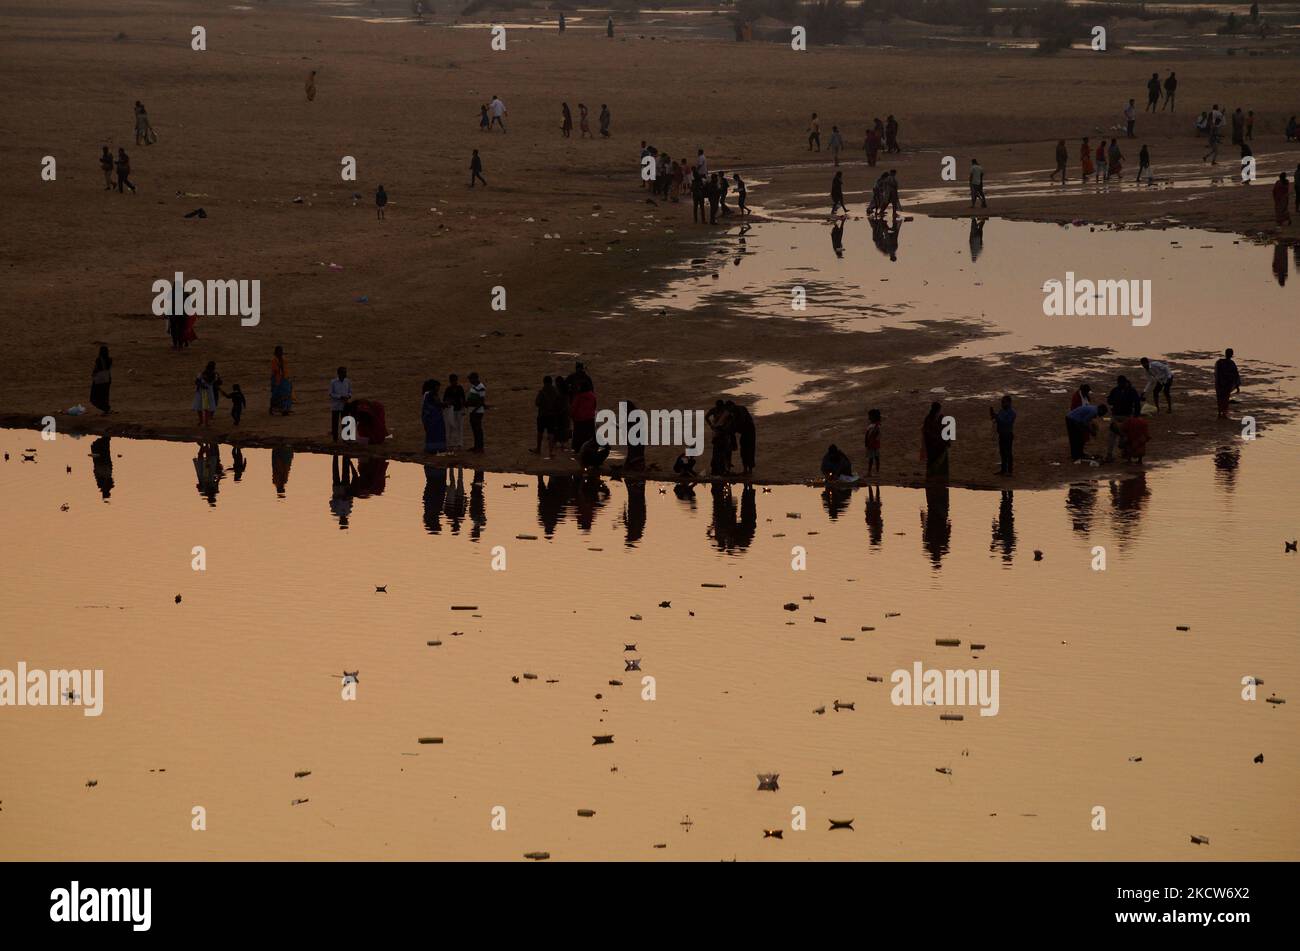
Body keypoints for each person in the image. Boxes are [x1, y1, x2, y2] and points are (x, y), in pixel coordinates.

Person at [1105, 375, 1141, 461]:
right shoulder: (1131, 391)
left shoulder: (1116, 390)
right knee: (1125, 435)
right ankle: (1123, 453)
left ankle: (1111, 455)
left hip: (1118, 415)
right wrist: (1136, 415)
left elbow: (1109, 401)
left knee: (1113, 436)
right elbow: (1137, 404)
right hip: (1125, 416)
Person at [532, 376, 563, 458]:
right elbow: (559, 403)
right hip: (552, 415)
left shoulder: (542, 392)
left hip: (542, 415)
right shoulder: (555, 392)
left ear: (544, 382)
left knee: (540, 432)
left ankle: (538, 449)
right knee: (551, 434)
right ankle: (551, 451)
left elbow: (537, 403)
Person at [921, 402, 949, 479]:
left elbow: (946, 430)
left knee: (936, 462)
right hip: (933, 444)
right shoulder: (929, 419)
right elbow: (926, 432)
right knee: (933, 462)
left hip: (937, 444)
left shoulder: (938, 418)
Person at [989, 395, 1015, 476]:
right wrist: (993, 415)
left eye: (1004, 402)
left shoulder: (1012, 413)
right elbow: (997, 420)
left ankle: (1009, 471)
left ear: (1009, 403)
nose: (1002, 404)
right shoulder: (1002, 411)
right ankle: (1003, 470)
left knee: (1008, 453)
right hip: (1002, 434)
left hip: (1007, 434)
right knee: (1002, 452)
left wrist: (997, 417)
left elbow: (1007, 422)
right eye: (1002, 402)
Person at [570, 379, 597, 452]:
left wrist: (572, 415)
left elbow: (574, 407)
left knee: (579, 437)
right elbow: (594, 405)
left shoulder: (578, 396)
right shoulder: (592, 395)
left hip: (579, 420)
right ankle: (590, 449)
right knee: (589, 436)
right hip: (590, 419)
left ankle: (578, 449)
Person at [730, 400, 756, 476]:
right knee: (744, 451)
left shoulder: (740, 409)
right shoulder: (736, 411)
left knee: (749, 450)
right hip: (745, 433)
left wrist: (733, 429)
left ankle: (749, 470)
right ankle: (745, 469)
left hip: (750, 432)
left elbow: (741, 421)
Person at [1213, 348, 1241, 418]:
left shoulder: (1219, 362)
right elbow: (1236, 374)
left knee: (1220, 398)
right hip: (1226, 384)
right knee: (1225, 398)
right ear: (1231, 355)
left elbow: (1216, 374)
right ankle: (1223, 413)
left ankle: (1220, 412)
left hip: (1220, 384)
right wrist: (1237, 385)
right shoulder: (1231, 363)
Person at [420, 379, 446, 453]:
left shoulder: (431, 394)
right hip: (432, 418)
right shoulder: (430, 394)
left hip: (433, 417)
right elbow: (436, 404)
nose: (439, 388)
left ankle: (434, 448)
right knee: (434, 433)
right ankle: (434, 448)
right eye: (438, 386)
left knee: (434, 433)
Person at [193, 361, 221, 427]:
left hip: (204, 392)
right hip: (205, 392)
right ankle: (204, 422)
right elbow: (197, 382)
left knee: (202, 407)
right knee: (204, 407)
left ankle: (203, 421)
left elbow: (197, 381)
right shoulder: (211, 374)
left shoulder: (206, 374)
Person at [443, 373, 465, 450]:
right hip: (451, 410)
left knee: (459, 426)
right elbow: (445, 400)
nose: (454, 382)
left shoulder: (459, 388)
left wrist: (462, 409)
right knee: (451, 426)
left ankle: (459, 443)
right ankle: (451, 443)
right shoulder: (448, 389)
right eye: (453, 381)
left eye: (455, 380)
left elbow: (462, 399)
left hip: (457, 409)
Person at [330, 367, 352, 441]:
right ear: (339, 373)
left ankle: (346, 438)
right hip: (335, 405)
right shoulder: (333, 382)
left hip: (344, 405)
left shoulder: (347, 381)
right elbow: (331, 394)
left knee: (345, 421)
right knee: (335, 423)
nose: (345, 374)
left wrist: (348, 396)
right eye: (343, 372)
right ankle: (335, 438)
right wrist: (340, 397)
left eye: (345, 372)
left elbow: (350, 392)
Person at [467, 372, 487, 452]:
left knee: (477, 429)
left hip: (477, 412)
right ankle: (476, 446)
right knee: (475, 429)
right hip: (474, 411)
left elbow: (481, 401)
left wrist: (474, 411)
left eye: (470, 379)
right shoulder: (475, 386)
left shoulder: (481, 387)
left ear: (475, 378)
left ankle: (479, 447)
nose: (469, 380)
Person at [270, 345, 293, 414]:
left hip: (284, 380)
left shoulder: (284, 360)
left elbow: (286, 370)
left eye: (281, 351)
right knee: (276, 395)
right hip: (277, 380)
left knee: (286, 394)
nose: (281, 352)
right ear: (276, 352)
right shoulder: (274, 360)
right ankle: (274, 409)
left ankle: (285, 409)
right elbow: (275, 371)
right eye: (279, 351)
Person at [90, 346, 112, 414]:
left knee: (95, 396)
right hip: (107, 378)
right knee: (104, 395)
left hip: (99, 380)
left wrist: (93, 374)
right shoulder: (110, 360)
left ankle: (105, 408)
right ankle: (106, 409)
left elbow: (97, 369)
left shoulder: (99, 360)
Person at [864, 408, 882, 477]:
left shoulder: (875, 426)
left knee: (872, 458)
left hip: (872, 444)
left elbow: (870, 435)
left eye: (870, 416)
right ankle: (876, 472)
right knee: (876, 458)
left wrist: (867, 443)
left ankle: (870, 472)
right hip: (875, 444)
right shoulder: (876, 425)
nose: (869, 417)